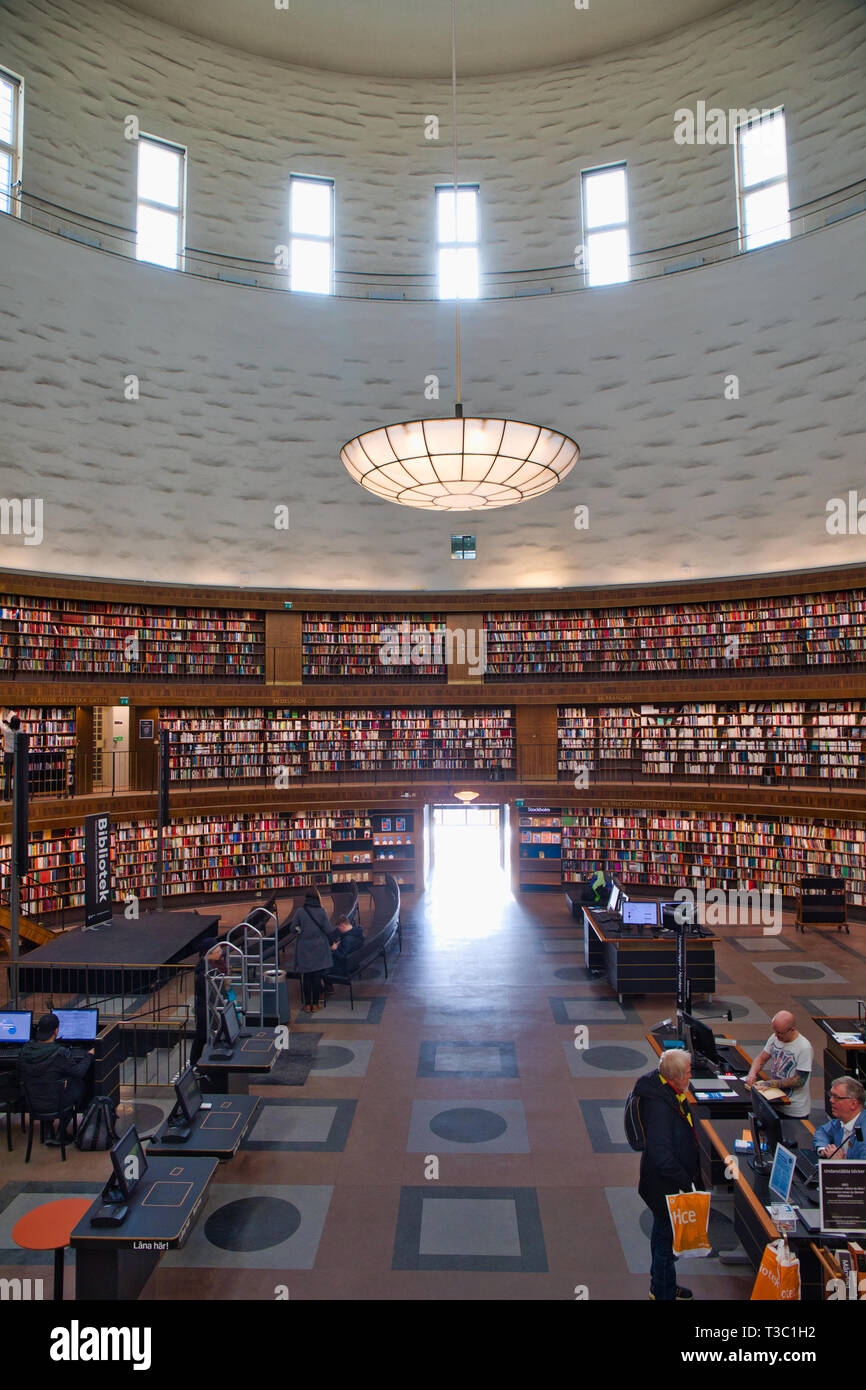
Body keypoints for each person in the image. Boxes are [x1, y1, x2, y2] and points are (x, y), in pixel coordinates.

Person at [633, 1049, 701, 1301]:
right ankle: (662, 1292)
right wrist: (687, 1181)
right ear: (675, 1077)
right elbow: (662, 1157)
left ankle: (663, 1284)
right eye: (689, 1072)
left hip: (663, 1184)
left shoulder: (662, 1089)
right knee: (664, 1242)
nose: (691, 1076)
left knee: (662, 1236)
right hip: (666, 1188)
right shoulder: (660, 1109)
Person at [18, 1011, 94, 1144]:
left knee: (45, 1086)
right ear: (56, 1031)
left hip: (33, 1102)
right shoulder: (60, 1053)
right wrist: (89, 1056)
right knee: (79, 1085)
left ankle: (49, 1129)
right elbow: (79, 1072)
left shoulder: (25, 1050)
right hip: (56, 1102)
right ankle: (61, 1132)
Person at [744, 1011, 814, 1119]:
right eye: (775, 1031)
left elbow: (799, 1080)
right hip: (775, 1103)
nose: (776, 1035)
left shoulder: (804, 1048)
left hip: (793, 1110)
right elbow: (761, 1058)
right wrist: (752, 1073)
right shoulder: (775, 1037)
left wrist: (771, 1083)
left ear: (792, 1029)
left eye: (780, 1033)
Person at [290, 887, 335, 1013]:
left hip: (303, 948)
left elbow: (292, 928)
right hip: (318, 947)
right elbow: (328, 929)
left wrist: (301, 930)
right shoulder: (321, 911)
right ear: (317, 898)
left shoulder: (300, 911)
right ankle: (315, 1004)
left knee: (306, 977)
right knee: (316, 977)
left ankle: (307, 1005)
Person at [813, 1076, 866, 1159]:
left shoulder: (863, 1135)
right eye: (831, 1095)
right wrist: (824, 1149)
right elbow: (822, 1131)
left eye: (836, 1097)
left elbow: (861, 1170)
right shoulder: (842, 1121)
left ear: (853, 1104)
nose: (831, 1100)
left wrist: (839, 1164)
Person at [1, 709, 20, 801]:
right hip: (16, 755)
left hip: (8, 755)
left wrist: (1, 713)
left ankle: (6, 797)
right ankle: (15, 796)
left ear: (10, 723)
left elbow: (0, 723)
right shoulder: (19, 732)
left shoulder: (6, 731)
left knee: (7, 776)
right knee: (16, 776)